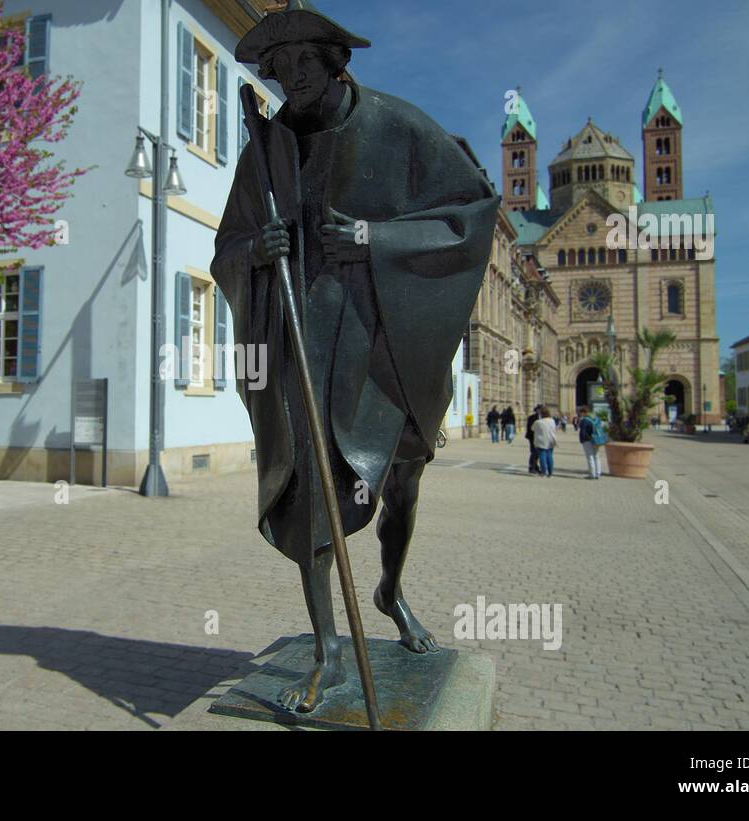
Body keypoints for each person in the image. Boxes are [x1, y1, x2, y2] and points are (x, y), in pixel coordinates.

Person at [210, 1, 499, 714]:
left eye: (304, 62)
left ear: (337, 61)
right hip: (303, 346)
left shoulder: (398, 127)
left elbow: (470, 214)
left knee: (400, 484)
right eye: (279, 69)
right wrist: (257, 249)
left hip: (385, 344)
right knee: (310, 494)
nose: (292, 79)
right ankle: (330, 649)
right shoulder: (264, 147)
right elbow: (226, 250)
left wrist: (375, 239)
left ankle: (390, 589)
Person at [577, 405, 605, 479]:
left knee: (590, 457)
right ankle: (598, 473)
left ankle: (592, 474)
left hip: (587, 440)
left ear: (583, 412)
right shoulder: (596, 418)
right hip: (597, 439)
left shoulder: (585, 420)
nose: (580, 414)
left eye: (581, 412)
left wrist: (581, 440)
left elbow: (582, 431)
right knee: (597, 456)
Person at [532, 406, 558, 478]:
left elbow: (533, 428)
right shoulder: (552, 420)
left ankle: (543, 472)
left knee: (542, 456)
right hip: (551, 440)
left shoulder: (538, 422)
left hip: (541, 441)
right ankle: (550, 472)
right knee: (549, 456)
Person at [524, 404, 542, 473]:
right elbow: (530, 428)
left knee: (538, 453)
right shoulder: (532, 417)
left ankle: (536, 466)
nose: (540, 411)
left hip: (540, 437)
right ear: (537, 410)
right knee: (534, 452)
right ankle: (532, 467)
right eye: (539, 409)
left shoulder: (543, 418)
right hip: (532, 437)